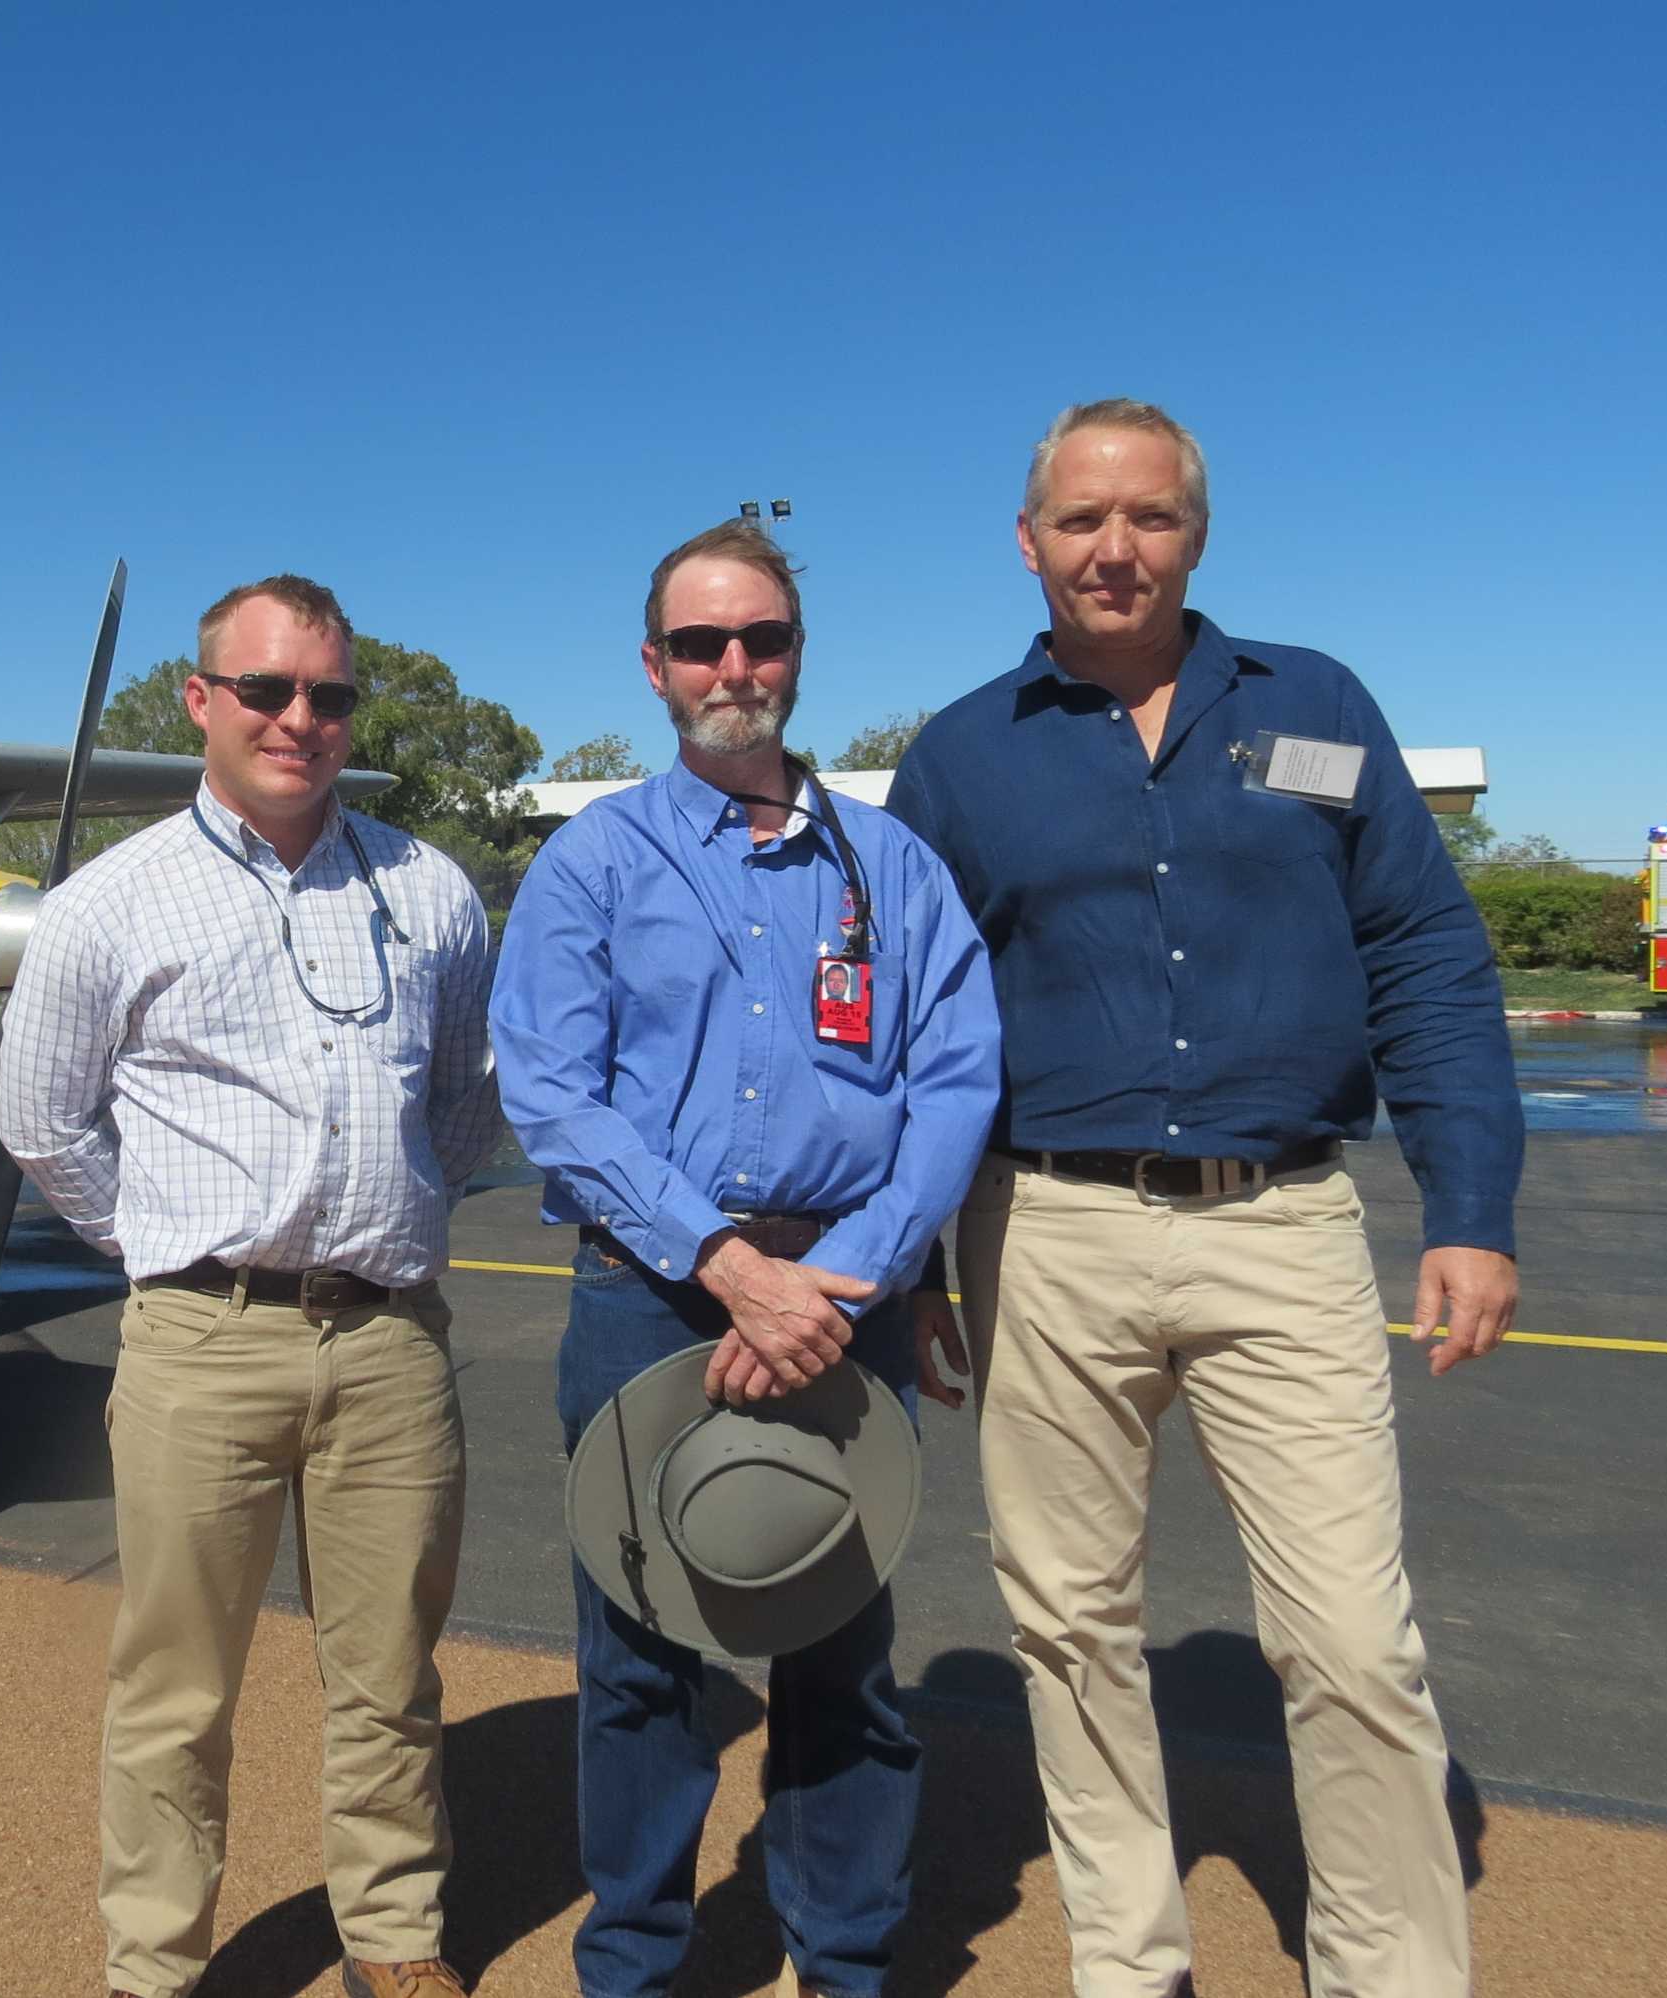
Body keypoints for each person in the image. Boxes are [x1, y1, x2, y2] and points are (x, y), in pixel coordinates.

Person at [884, 399, 1523, 1998]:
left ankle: (1387, 1973)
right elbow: (910, 1020)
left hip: (1284, 1221)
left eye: (1150, 517)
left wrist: (1471, 1203)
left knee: (1353, 1646)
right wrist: (909, 1260)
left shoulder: (1311, 708)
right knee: (1074, 1630)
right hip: (1044, 1231)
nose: (1117, 548)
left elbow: (1427, 957)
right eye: (1083, 520)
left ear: (1197, 533)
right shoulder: (963, 756)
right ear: (1028, 543)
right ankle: (1131, 1961)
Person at [491, 518, 1001, 1998]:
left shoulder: (892, 869)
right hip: (648, 1297)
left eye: (761, 639)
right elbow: (553, 1094)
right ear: (654, 668)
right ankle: (637, 1961)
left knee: (838, 1645)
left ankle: (846, 1960)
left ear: (795, 655)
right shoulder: (593, 864)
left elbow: (956, 1076)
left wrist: (846, 1273)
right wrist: (725, 1264)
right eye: (702, 643)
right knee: (642, 1651)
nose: (735, 667)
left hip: (847, 1301)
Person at [0, 574, 499, 1998]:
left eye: (329, 695)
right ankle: (156, 1963)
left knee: (390, 1676)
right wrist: (173, 1244)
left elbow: (464, 1108)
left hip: (391, 1339)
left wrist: (383, 1223)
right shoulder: (107, 906)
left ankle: (394, 1938)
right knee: (175, 1690)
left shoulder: (430, 892)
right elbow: (43, 1123)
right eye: (268, 689)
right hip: (200, 1343)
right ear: (202, 700)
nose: (300, 719)